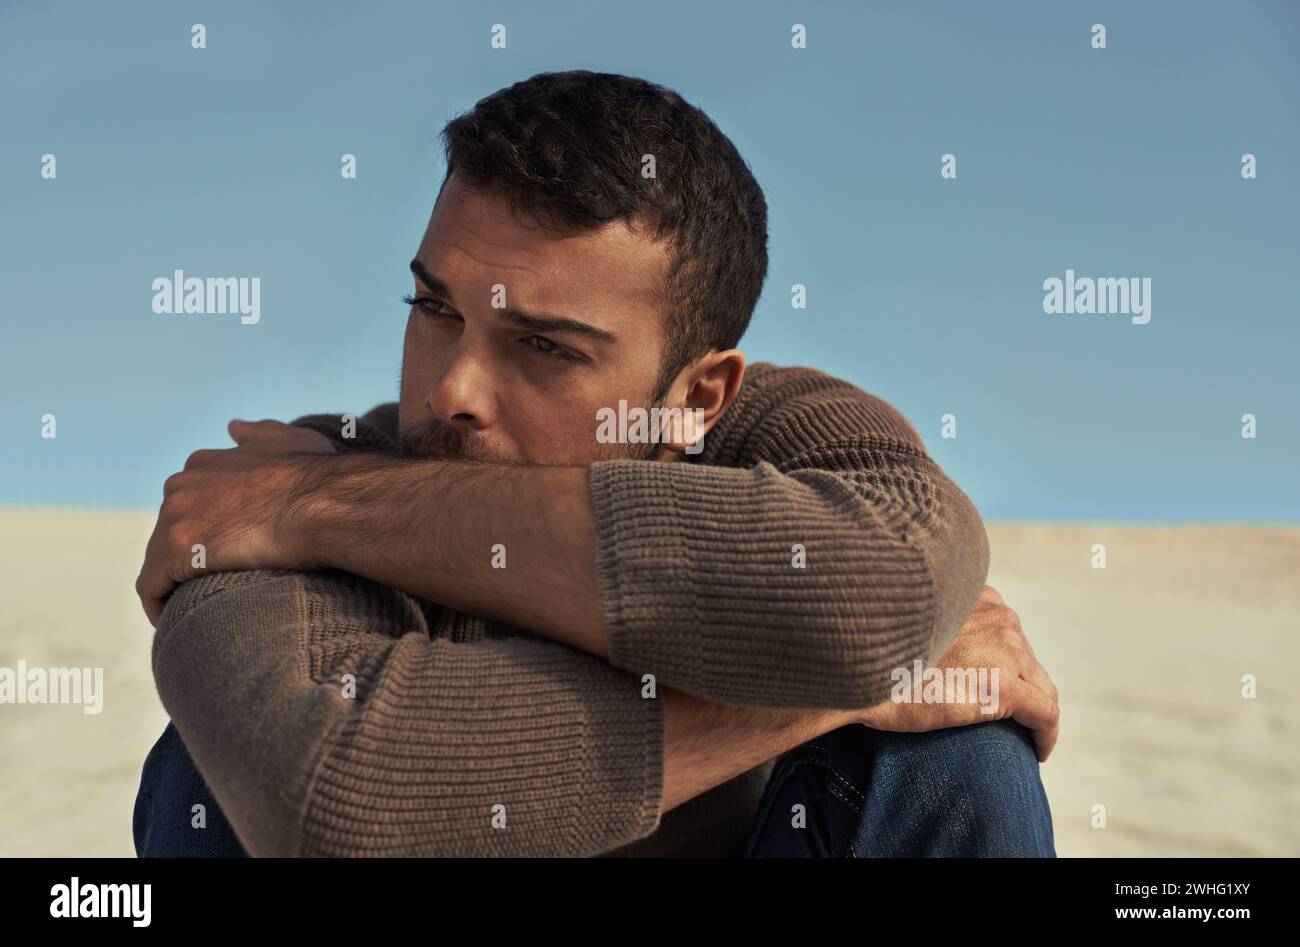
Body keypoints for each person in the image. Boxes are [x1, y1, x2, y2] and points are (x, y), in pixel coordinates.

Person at [133, 69, 1058, 857]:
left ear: (697, 399)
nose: (453, 388)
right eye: (435, 307)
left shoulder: (792, 435)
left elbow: (884, 585)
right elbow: (320, 797)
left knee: (953, 760)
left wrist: (325, 510)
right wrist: (842, 690)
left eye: (543, 346)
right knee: (205, 776)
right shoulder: (272, 479)